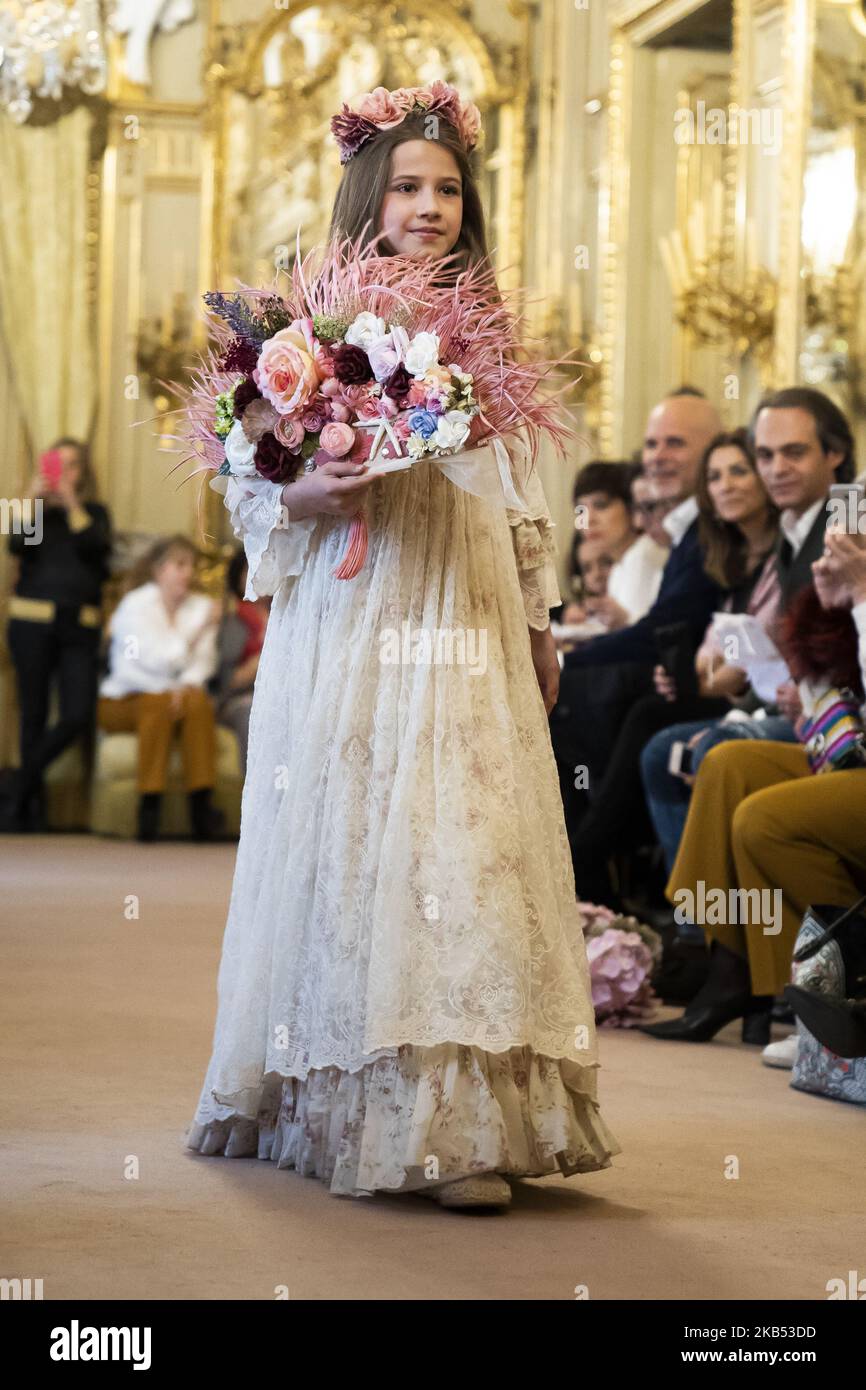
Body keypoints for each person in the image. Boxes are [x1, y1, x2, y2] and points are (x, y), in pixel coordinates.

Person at [186, 82, 619, 1211]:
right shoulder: (306, 319)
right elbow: (249, 476)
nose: (429, 206)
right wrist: (307, 490)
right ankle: (345, 1102)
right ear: (368, 197)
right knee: (359, 829)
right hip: (358, 603)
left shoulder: (488, 330)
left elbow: (520, 488)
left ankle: (469, 1116)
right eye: (408, 186)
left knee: (464, 831)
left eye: (446, 189)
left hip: (464, 597)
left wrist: (536, 619)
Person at [640, 521, 866, 1045]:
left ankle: (828, 984)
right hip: (849, 751)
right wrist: (834, 610)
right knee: (728, 766)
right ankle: (733, 967)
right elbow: (838, 699)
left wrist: (859, 595)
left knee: (764, 818)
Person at [640, 387, 856, 874]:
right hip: (800, 708)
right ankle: (699, 926)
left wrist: (818, 692)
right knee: (662, 748)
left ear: (835, 453)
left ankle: (713, 928)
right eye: (765, 455)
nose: (776, 468)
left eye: (794, 452)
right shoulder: (793, 528)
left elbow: (848, 636)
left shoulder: (848, 518)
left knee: (714, 752)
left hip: (843, 724)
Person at [567, 429, 780, 906]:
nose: (726, 485)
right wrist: (697, 674)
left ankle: (604, 863)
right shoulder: (732, 550)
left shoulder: (779, 552)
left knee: (647, 725)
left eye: (739, 471)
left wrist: (707, 678)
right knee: (620, 714)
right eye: (716, 477)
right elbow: (712, 643)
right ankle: (604, 865)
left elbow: (757, 650)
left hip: (772, 707)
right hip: (734, 696)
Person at [549, 393, 724, 814]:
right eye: (651, 444)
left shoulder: (705, 531)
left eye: (675, 443)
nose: (658, 456)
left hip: (695, 686)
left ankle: (587, 853)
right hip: (672, 677)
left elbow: (661, 630)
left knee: (565, 694)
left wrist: (573, 658)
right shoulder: (685, 532)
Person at [2, 438, 112, 833]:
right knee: (31, 715)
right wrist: (32, 498)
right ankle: (25, 809)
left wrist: (71, 504)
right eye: (57, 465)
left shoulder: (95, 513)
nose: (64, 472)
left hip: (80, 625)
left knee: (76, 714)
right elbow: (16, 545)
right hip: (30, 621)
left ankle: (15, 785)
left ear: (83, 473)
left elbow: (96, 548)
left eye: (73, 465)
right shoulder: (29, 510)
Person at [97, 535, 222, 842]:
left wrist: (182, 688)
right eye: (180, 565)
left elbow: (203, 664)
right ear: (159, 570)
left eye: (191, 566)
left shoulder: (202, 606)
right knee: (158, 703)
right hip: (125, 697)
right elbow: (146, 663)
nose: (187, 573)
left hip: (174, 695)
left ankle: (201, 807)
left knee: (198, 702)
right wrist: (173, 687)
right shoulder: (135, 606)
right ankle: (148, 805)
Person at [572, 461, 667, 628]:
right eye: (581, 510)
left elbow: (643, 640)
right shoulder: (619, 565)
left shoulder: (644, 553)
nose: (588, 520)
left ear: (631, 507)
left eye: (601, 505)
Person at [211, 548, 268, 774]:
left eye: (266, 564)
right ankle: (256, 795)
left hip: (284, 695)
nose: (259, 573)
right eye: (250, 568)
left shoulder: (291, 612)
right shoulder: (232, 618)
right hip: (238, 700)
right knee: (254, 711)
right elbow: (223, 681)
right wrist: (257, 666)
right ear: (238, 577)